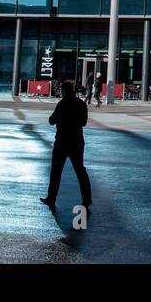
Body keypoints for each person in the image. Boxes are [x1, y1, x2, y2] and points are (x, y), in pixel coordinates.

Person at [41, 80, 92, 211]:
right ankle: (87, 199)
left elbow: (51, 121)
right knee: (80, 170)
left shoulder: (62, 104)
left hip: (62, 142)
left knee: (56, 171)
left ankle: (51, 197)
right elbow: (84, 122)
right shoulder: (81, 104)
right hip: (77, 141)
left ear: (64, 91)